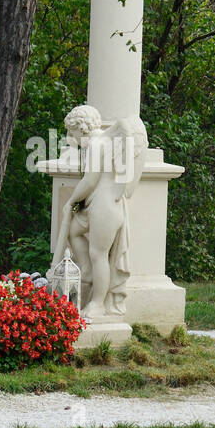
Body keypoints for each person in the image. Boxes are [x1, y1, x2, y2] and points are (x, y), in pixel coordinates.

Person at [53, 106, 147, 317]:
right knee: (74, 232)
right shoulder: (96, 143)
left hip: (105, 205)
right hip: (94, 205)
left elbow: (90, 180)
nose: (70, 138)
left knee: (99, 254)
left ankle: (97, 303)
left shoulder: (97, 143)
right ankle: (86, 272)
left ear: (82, 128)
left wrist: (71, 200)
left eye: (71, 132)